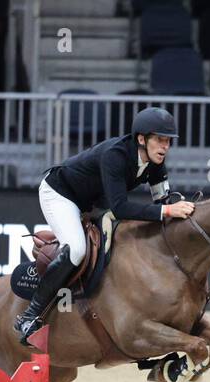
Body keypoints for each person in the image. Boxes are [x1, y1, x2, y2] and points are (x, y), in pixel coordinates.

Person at [13, 107, 195, 347]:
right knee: (77, 249)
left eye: (168, 141)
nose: (165, 146)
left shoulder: (155, 163)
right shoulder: (115, 156)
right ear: (141, 139)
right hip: (61, 194)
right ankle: (29, 317)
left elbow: (162, 202)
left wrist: (175, 211)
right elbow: (121, 208)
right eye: (160, 140)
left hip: (94, 202)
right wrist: (168, 210)